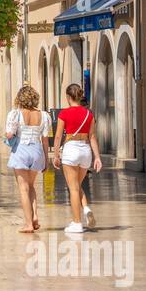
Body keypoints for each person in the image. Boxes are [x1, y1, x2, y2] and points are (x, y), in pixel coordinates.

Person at [52, 83, 101, 233]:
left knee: (72, 189)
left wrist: (55, 155)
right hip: (85, 151)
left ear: (68, 97)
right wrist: (97, 157)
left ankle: (76, 223)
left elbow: (59, 135)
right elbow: (92, 137)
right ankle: (86, 209)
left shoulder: (64, 114)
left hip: (71, 150)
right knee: (77, 186)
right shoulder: (89, 114)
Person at [5, 85, 51, 233]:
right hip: (37, 151)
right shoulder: (44, 115)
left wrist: (8, 135)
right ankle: (35, 215)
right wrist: (46, 159)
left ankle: (28, 224)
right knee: (31, 186)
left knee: (23, 189)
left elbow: (9, 134)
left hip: (21, 150)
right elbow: (45, 140)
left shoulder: (15, 114)